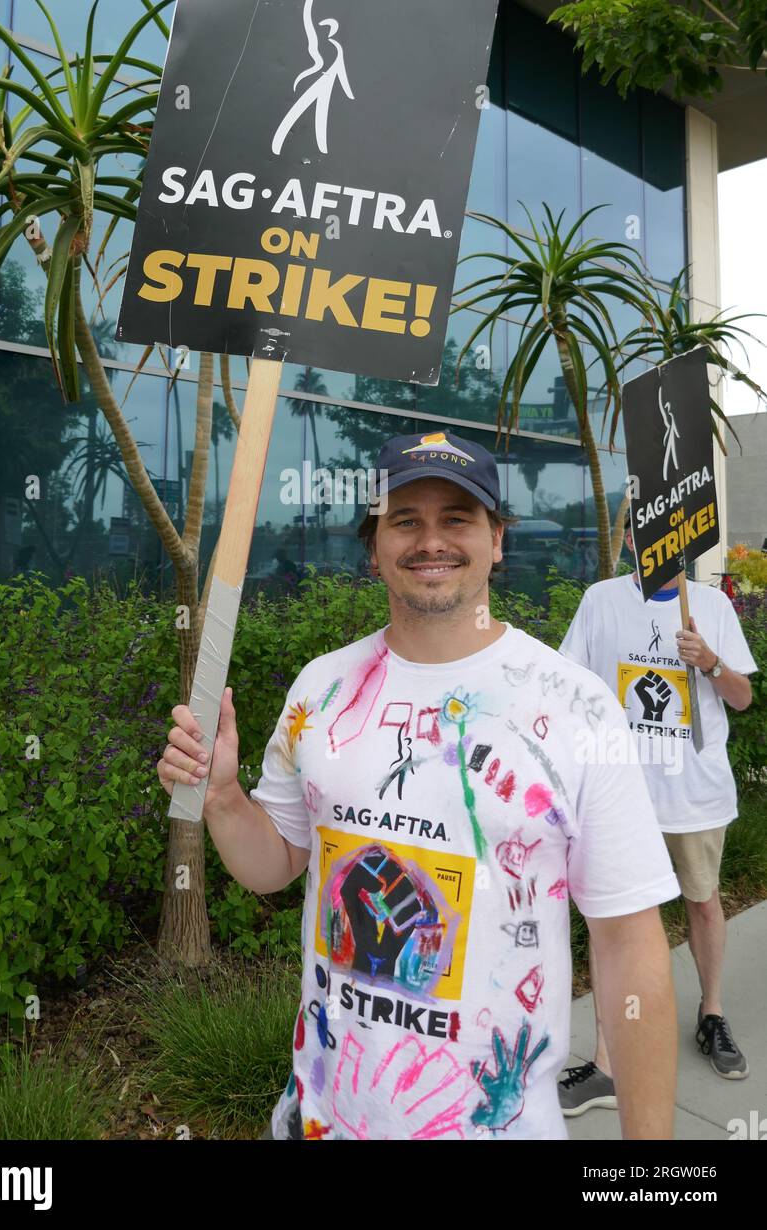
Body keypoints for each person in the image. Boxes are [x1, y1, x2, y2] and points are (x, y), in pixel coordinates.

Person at [157, 431, 680, 1140]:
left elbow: (628, 945)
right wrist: (221, 797)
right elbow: (272, 867)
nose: (430, 540)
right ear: (374, 548)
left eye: (457, 518)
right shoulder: (323, 688)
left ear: (497, 540)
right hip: (320, 1120)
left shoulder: (576, 708)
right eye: (405, 520)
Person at [557, 512, 757, 1117]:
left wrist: (712, 664)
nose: (654, 547)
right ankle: (607, 1065)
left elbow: (744, 699)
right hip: (619, 795)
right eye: (644, 536)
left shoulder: (712, 608)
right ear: (634, 541)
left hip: (694, 794)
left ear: (685, 540)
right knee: (614, 922)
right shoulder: (601, 600)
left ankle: (712, 1014)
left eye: (667, 537)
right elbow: (569, 687)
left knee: (702, 901)